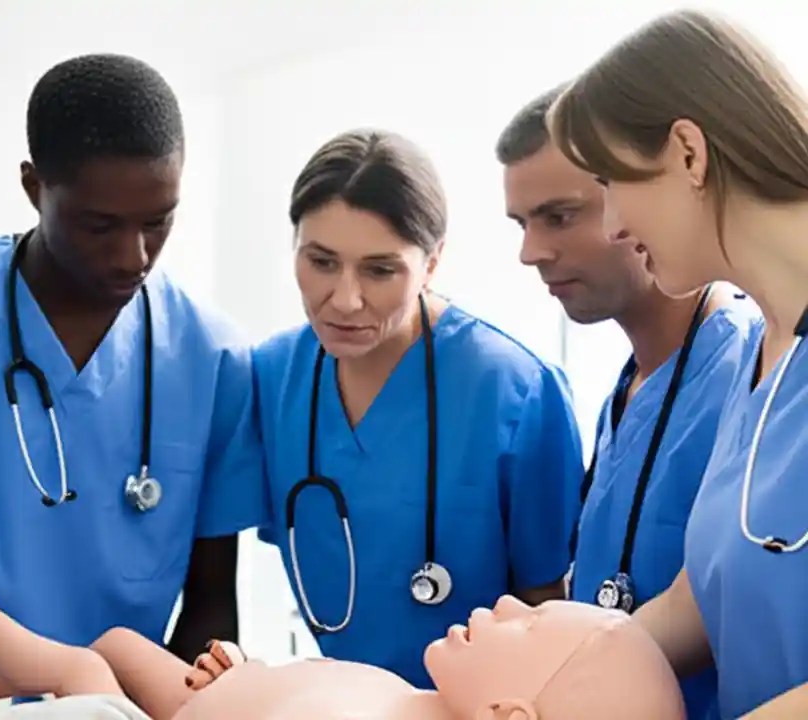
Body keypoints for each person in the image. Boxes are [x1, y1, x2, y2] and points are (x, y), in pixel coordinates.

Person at [0, 52, 264, 688]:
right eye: (100, 225)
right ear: (34, 187)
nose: (135, 256)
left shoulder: (213, 359)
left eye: (158, 223)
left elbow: (212, 599)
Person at [251, 129, 583, 688]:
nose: (345, 299)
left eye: (380, 270)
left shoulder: (513, 388)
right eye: (321, 261)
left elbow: (547, 607)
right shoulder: (272, 377)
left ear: (431, 263)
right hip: (341, 702)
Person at [547, 8, 808, 718]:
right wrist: (542, 680)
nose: (612, 227)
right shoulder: (764, 354)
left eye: (612, 182)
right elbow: (705, 593)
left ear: (688, 153)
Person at [497, 85, 761, 718]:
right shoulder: (624, 395)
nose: (531, 252)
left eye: (559, 216)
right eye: (522, 224)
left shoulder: (753, 373)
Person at [89, 595, 686, 720]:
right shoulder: (412, 699)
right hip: (206, 696)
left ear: (509, 717)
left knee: (80, 669)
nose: (506, 602)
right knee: (116, 644)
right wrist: (248, 678)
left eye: (530, 624)